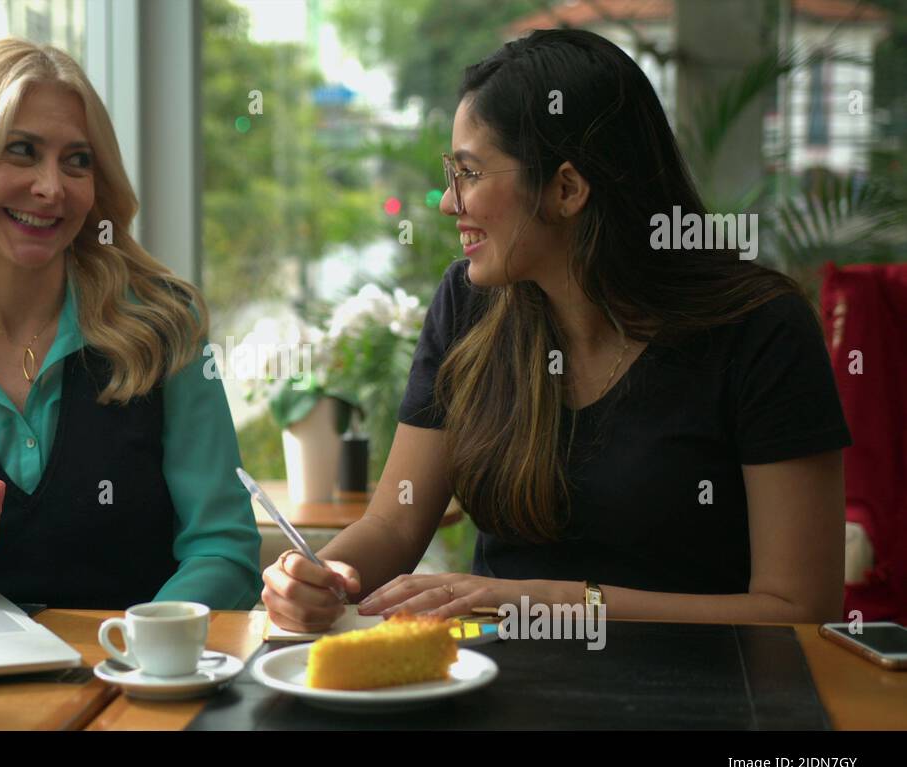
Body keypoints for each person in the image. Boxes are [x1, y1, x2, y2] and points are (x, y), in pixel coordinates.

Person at [262, 29, 851, 631]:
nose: (447, 201)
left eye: (468, 172)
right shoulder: (468, 306)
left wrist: (541, 600)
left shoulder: (759, 329)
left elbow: (799, 610)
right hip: (496, 688)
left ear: (567, 188)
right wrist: (318, 579)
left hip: (698, 698)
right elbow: (394, 525)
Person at [0, 38, 261, 610]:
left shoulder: (164, 333)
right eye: (22, 151)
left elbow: (223, 551)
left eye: (77, 161)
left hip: (148, 687)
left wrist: (142, 648)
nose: (52, 188)